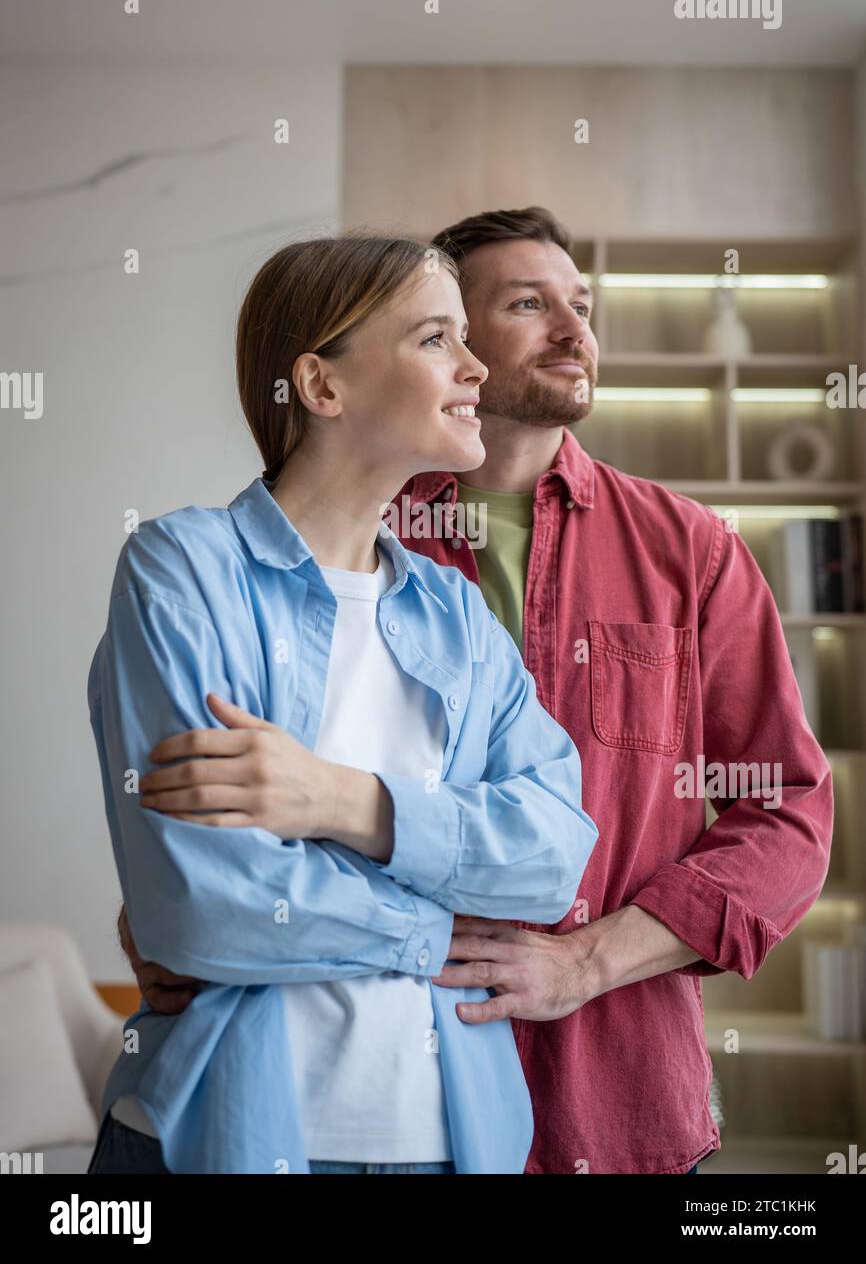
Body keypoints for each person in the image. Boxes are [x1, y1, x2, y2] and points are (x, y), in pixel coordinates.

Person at [122, 207, 833, 1176]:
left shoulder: (688, 554)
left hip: (610, 1097)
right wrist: (183, 907)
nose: (574, 331)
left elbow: (779, 811)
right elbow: (212, 882)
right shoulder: (311, 544)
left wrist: (585, 957)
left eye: (581, 305)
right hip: (337, 1103)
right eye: (526, 304)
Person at [86, 233, 599, 1176]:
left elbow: (556, 854)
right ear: (322, 387)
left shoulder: (454, 614)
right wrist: (437, 926)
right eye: (437, 338)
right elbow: (206, 911)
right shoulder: (183, 572)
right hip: (221, 1138)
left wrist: (341, 803)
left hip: (455, 1146)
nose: (476, 365)